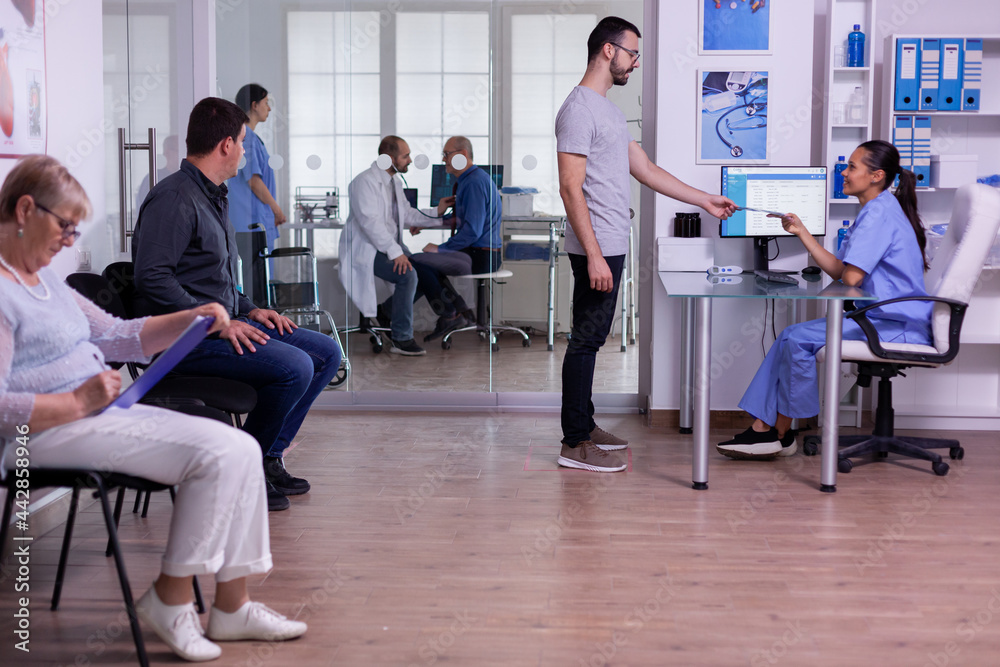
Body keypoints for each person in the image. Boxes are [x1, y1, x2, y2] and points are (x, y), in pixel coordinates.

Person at [0, 154, 307, 663]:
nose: (69, 241)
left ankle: (233, 605)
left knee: (242, 450)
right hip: (42, 434)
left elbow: (119, 336)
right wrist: (76, 400)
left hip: (97, 416)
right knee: (217, 451)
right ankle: (170, 598)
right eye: (66, 227)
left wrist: (194, 319)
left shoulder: (46, 280)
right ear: (26, 209)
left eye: (76, 231)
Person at [132, 97, 342, 512]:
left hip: (220, 325)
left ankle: (266, 457)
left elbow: (216, 280)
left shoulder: (212, 195)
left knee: (325, 351)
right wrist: (215, 323)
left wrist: (247, 310)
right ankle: (242, 469)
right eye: (243, 143)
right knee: (295, 366)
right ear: (226, 145)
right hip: (184, 340)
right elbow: (152, 277)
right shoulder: (174, 198)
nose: (246, 152)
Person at [555, 17, 737, 473]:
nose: (636, 63)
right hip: (597, 247)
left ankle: (585, 423)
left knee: (591, 340)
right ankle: (574, 442)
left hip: (612, 242)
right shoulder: (578, 109)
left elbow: (647, 169)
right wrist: (594, 253)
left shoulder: (607, 110)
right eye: (633, 54)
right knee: (586, 341)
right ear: (608, 51)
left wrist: (705, 200)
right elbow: (570, 188)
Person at [717, 140, 932, 460]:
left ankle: (774, 431)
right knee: (792, 335)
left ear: (876, 176)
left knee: (794, 338)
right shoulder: (878, 209)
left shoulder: (879, 214)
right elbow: (840, 271)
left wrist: (839, 269)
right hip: (882, 317)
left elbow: (852, 278)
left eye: (852, 167)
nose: (844, 173)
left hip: (895, 325)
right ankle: (775, 431)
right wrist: (801, 231)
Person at [340, 136, 434, 356]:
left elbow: (409, 214)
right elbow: (370, 222)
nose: (409, 160)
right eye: (405, 156)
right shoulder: (364, 182)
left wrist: (438, 214)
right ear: (389, 159)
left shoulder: (395, 182)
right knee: (408, 275)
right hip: (366, 248)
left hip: (388, 244)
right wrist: (396, 253)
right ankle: (401, 338)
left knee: (428, 272)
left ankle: (387, 312)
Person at [410, 136, 502, 341]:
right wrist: (426, 223)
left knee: (417, 261)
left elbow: (471, 232)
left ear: (463, 155)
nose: (443, 160)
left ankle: (450, 314)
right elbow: (459, 219)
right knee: (427, 265)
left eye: (447, 154)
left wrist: (441, 249)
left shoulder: (474, 183)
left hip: (481, 257)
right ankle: (458, 310)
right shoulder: (471, 180)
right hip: (480, 253)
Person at [228, 83, 286, 251]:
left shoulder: (246, 137)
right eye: (266, 103)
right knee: (257, 274)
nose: (268, 109)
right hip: (252, 221)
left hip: (248, 221)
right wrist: (276, 210)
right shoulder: (248, 138)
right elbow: (253, 181)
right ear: (254, 105)